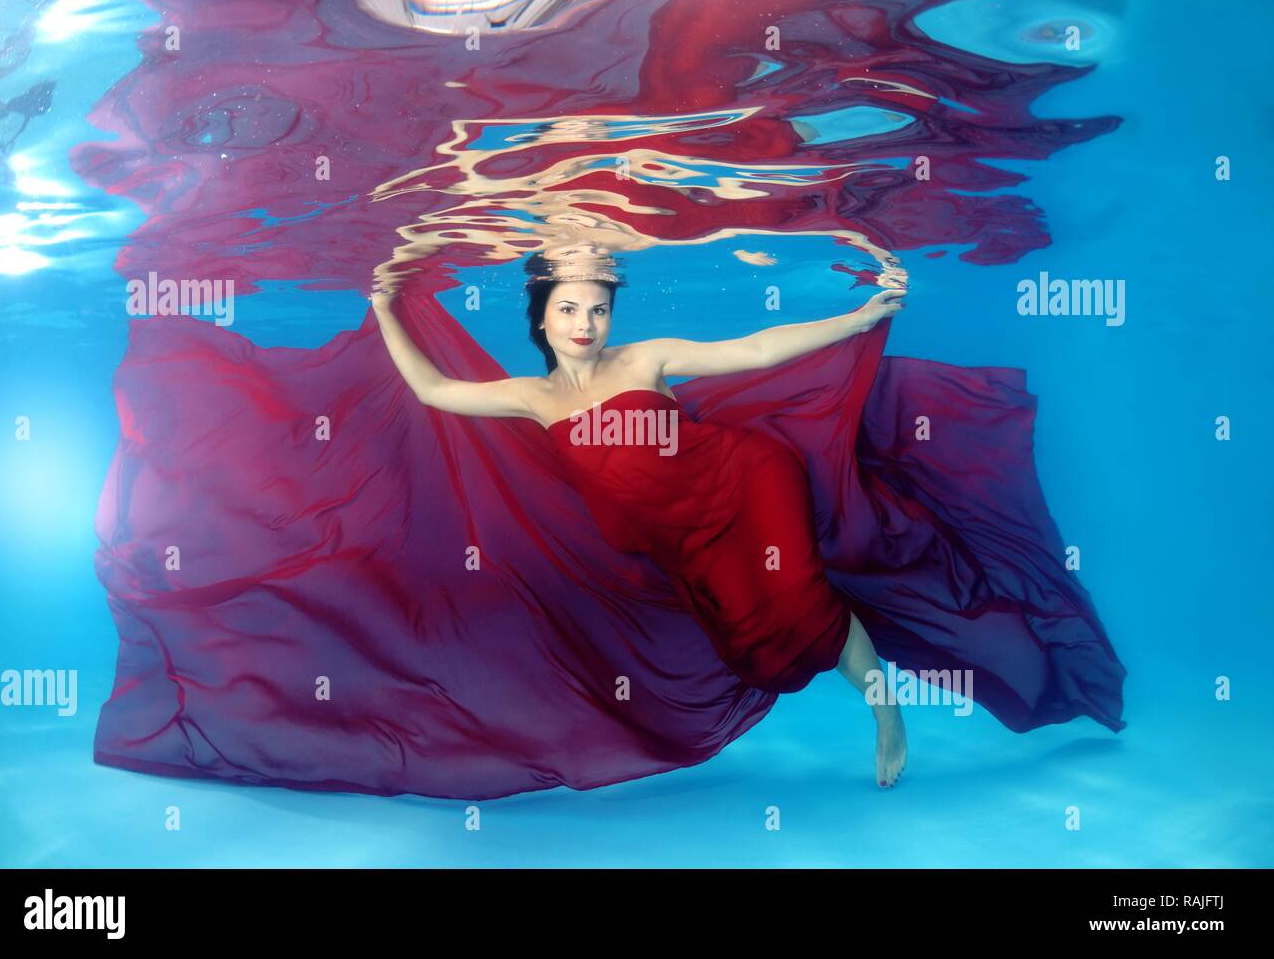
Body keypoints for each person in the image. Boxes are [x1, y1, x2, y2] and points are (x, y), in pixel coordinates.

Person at [92, 244, 1126, 803]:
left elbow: (762, 348)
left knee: (797, 601)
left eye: (597, 304)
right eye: (570, 307)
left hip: (744, 480)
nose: (587, 321)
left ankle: (882, 703)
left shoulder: (645, 359)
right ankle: (865, 677)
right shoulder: (536, 400)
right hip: (677, 535)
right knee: (753, 641)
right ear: (541, 317)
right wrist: (387, 312)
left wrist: (857, 317)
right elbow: (441, 399)